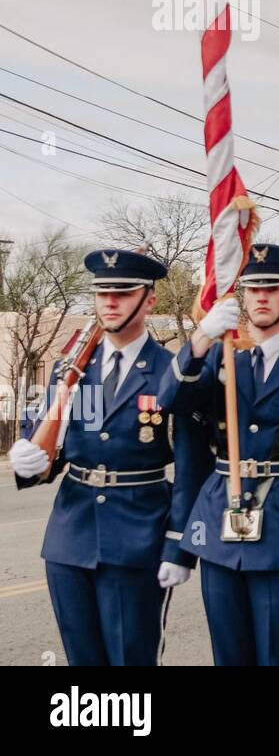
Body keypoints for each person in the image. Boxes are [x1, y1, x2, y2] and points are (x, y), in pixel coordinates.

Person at [9, 249, 204, 665]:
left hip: (138, 536)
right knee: (81, 660)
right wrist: (29, 462)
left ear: (148, 300)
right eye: (101, 293)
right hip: (70, 535)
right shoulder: (73, 368)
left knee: (131, 656)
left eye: (122, 292)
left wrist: (178, 547)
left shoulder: (171, 371)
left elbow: (191, 469)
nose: (109, 302)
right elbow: (49, 443)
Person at [159, 243, 279, 665]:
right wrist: (202, 337)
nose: (262, 297)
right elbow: (171, 399)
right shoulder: (223, 361)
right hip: (220, 526)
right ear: (241, 295)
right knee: (228, 655)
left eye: (273, 288)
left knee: (277, 655)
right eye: (253, 288)